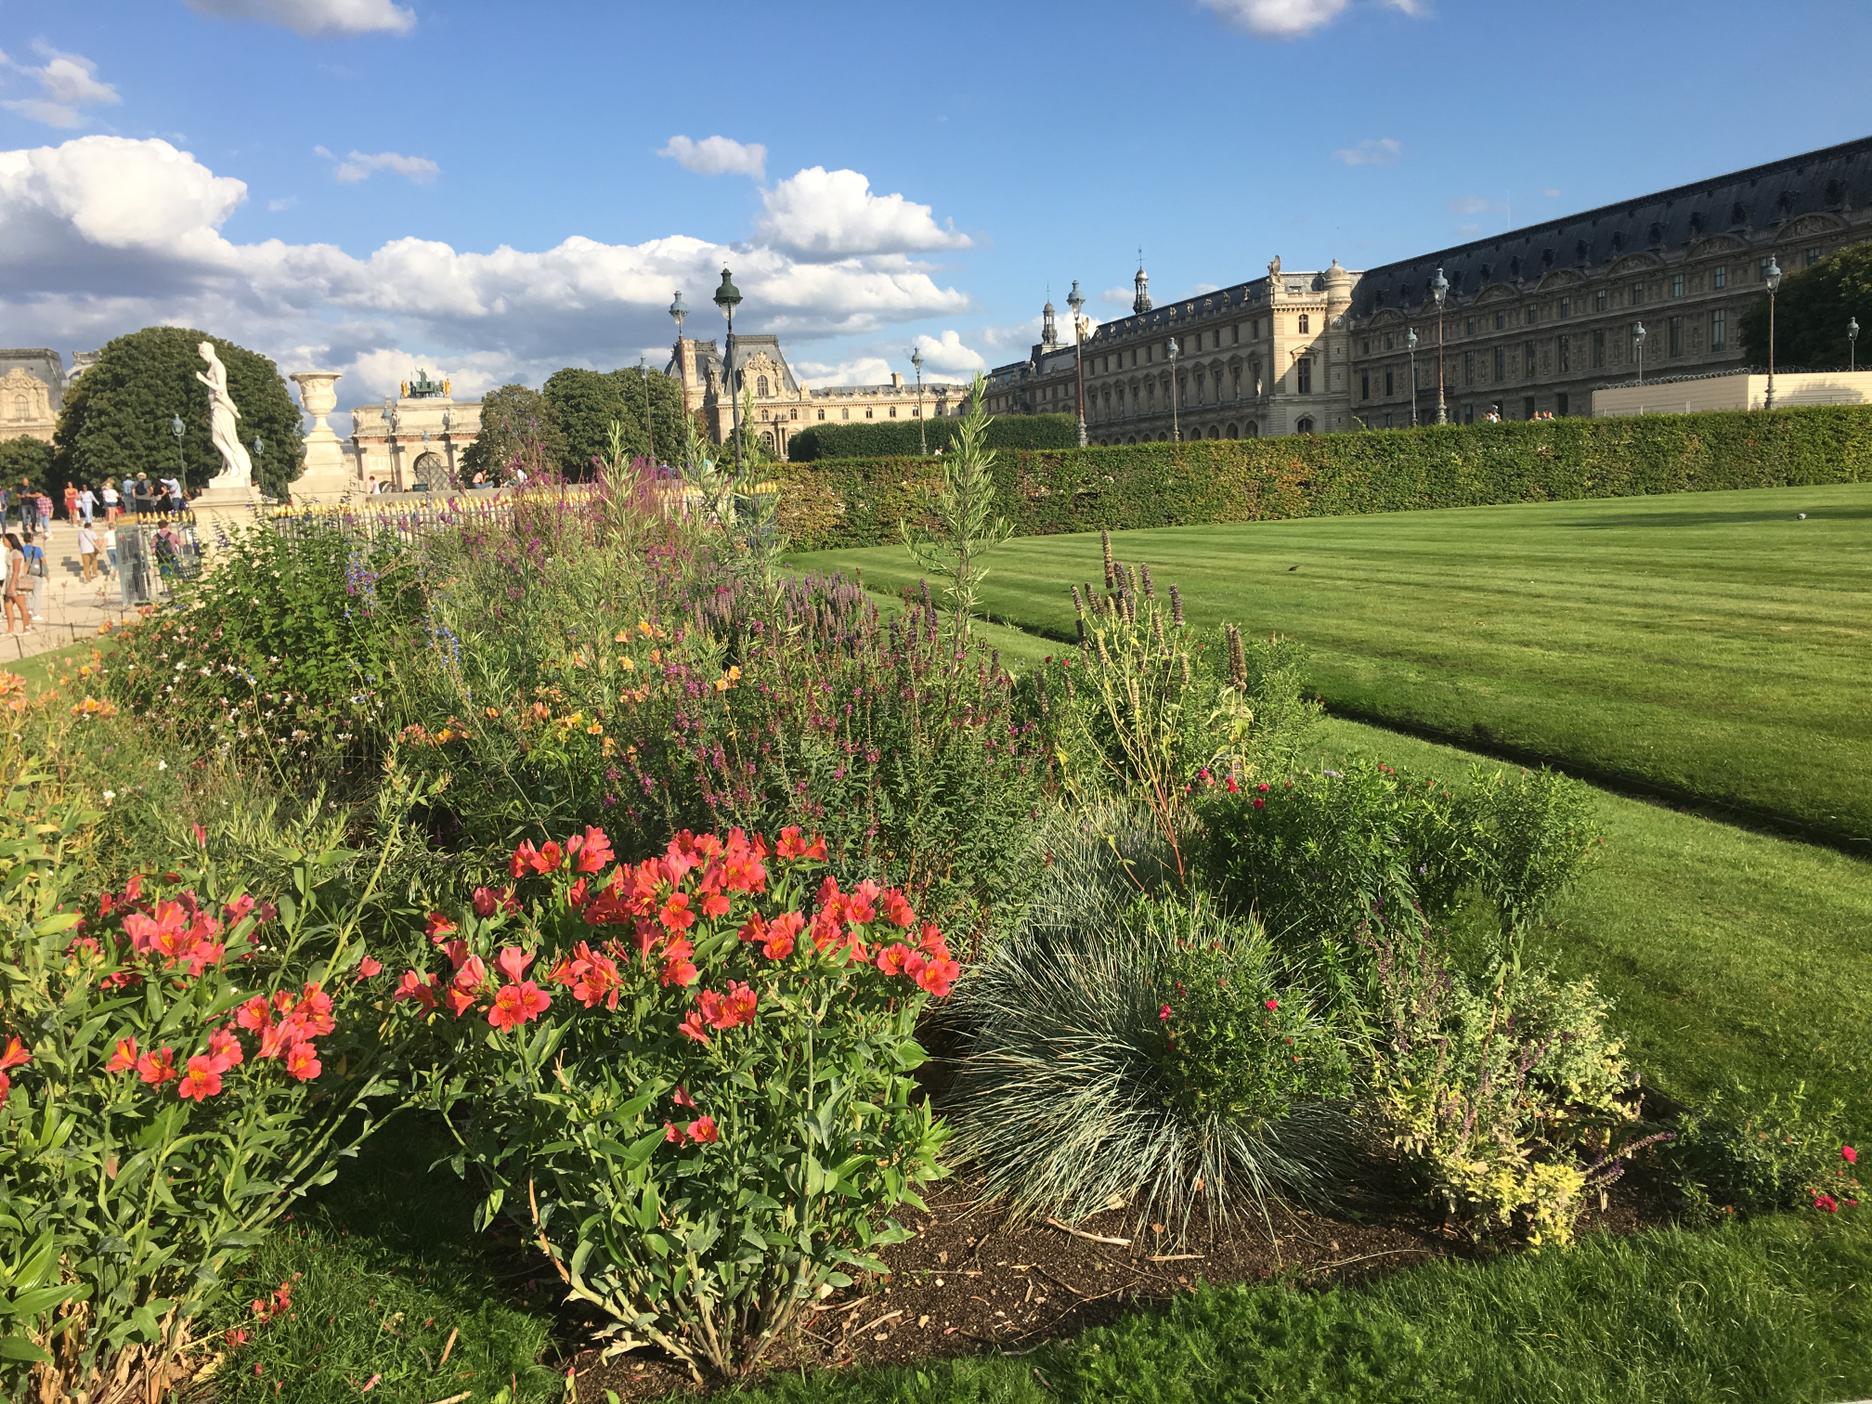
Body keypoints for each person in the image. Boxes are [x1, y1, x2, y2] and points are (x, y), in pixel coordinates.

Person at [2, 531, 27, 634]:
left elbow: (16, 571)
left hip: (15, 583)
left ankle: (27, 627)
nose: (3, 541)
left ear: (10, 541)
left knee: (21, 606)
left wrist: (12, 586)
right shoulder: (9, 552)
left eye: (5, 540)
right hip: (8, 582)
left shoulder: (16, 553)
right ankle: (10, 629)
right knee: (7, 606)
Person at [19, 529, 46, 624]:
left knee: (28, 593)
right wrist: (46, 573)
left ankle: (29, 609)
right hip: (37, 573)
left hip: (26, 573)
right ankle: (36, 613)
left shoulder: (21, 549)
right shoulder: (37, 549)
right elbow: (43, 561)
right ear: (32, 539)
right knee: (37, 594)